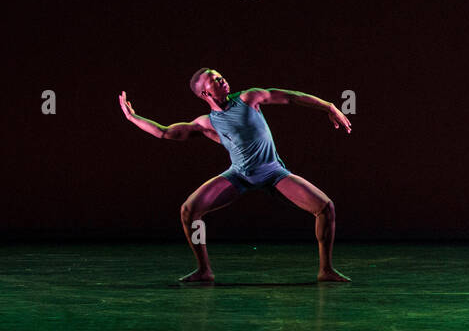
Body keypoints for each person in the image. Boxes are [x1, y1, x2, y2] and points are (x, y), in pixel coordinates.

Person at [118, 68, 352, 282]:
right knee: (189, 211)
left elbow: (291, 96)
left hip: (273, 172)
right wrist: (132, 118)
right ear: (204, 92)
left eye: (221, 76)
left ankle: (326, 270)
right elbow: (165, 133)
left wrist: (329, 106)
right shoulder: (206, 123)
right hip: (239, 175)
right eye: (215, 80)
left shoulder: (248, 99)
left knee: (325, 207)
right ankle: (204, 270)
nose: (223, 80)